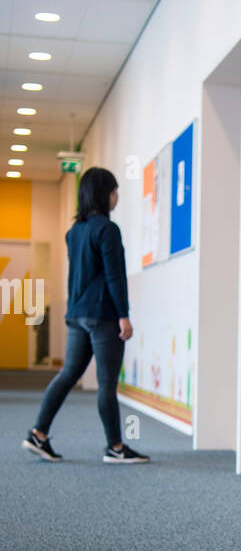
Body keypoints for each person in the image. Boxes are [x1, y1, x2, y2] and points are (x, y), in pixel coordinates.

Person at [22, 166, 150, 464]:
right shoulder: (107, 229)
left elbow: (78, 276)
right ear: (104, 194)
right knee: (107, 383)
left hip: (77, 314)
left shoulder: (74, 232)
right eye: (114, 190)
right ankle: (116, 448)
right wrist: (124, 315)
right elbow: (114, 276)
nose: (117, 196)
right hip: (103, 315)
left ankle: (38, 434)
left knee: (68, 374)